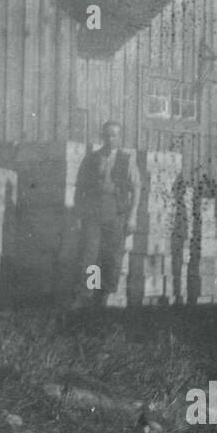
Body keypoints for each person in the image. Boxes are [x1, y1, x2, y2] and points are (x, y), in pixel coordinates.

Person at [74, 121, 141, 306]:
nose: (111, 139)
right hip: (94, 212)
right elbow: (80, 188)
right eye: (108, 135)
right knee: (91, 254)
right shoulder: (91, 159)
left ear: (120, 138)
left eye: (115, 135)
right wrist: (79, 214)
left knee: (112, 255)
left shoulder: (127, 159)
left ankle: (104, 295)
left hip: (116, 212)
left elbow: (136, 189)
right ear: (102, 137)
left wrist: (133, 216)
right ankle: (88, 293)